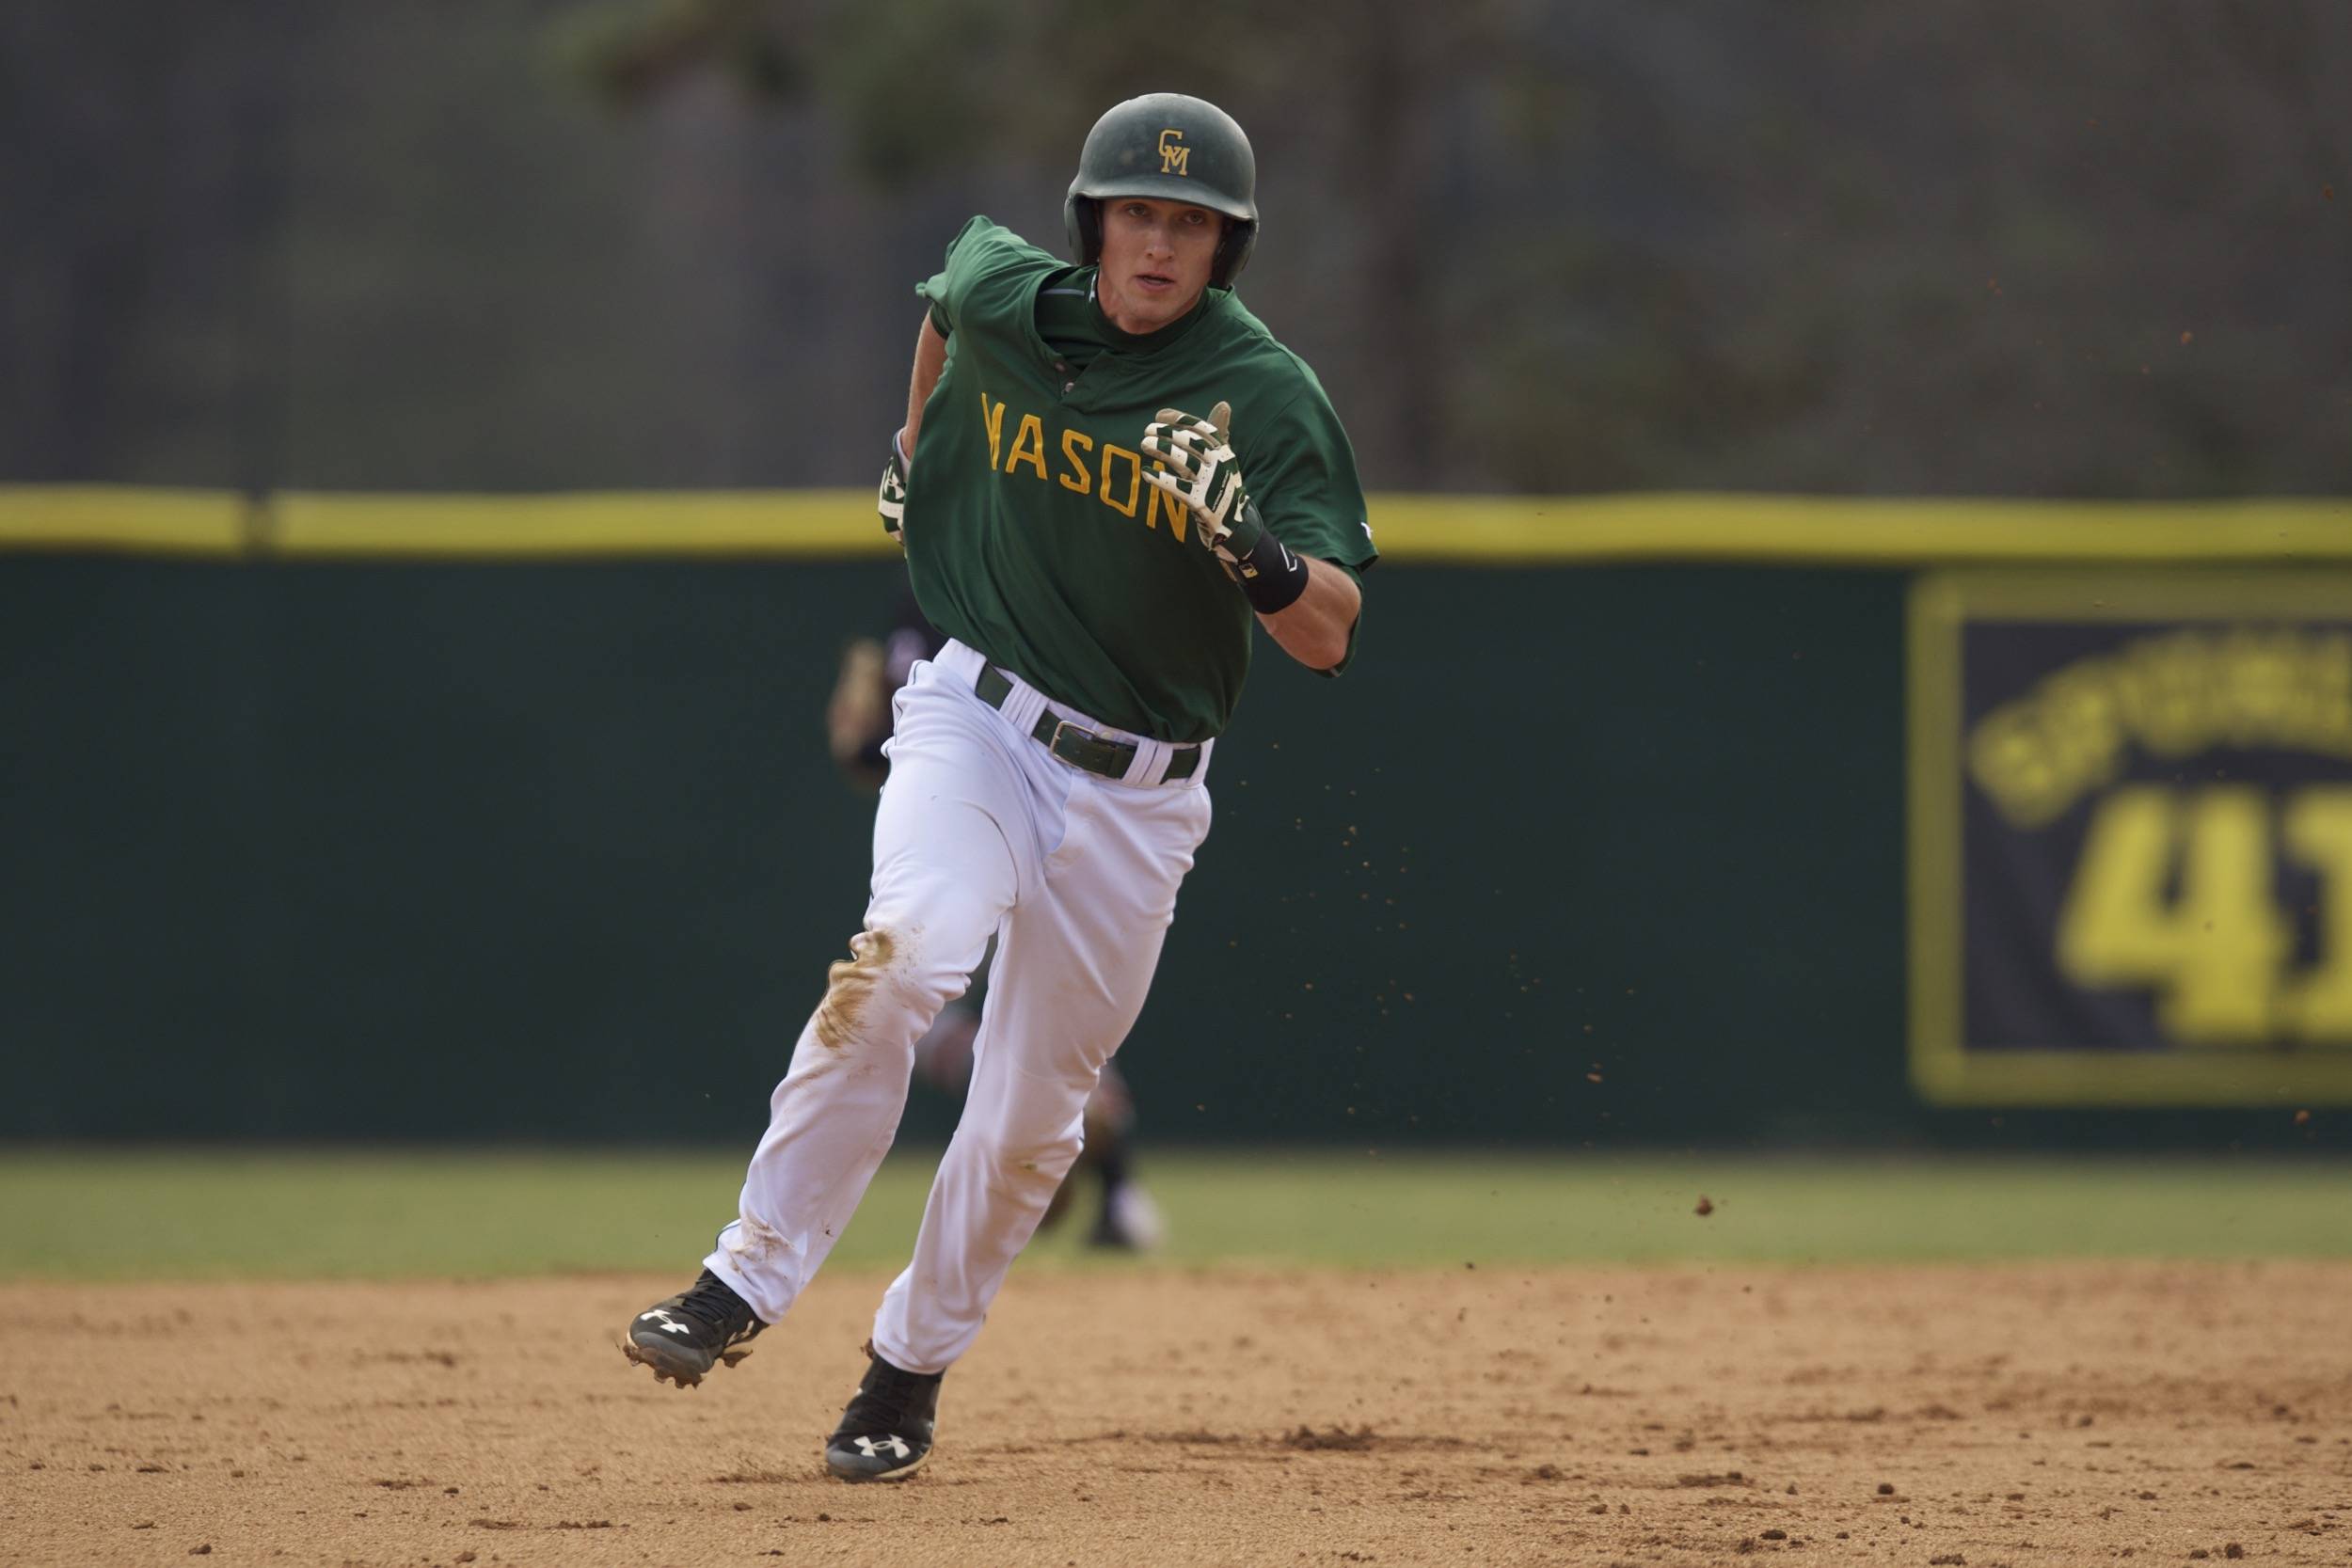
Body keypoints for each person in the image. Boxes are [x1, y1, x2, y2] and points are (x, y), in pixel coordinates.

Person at [622, 90, 1375, 1483]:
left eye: (1190, 224)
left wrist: (1254, 549)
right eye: (1137, 214)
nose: (1158, 244)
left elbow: (1327, 627)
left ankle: (907, 1366)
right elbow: (944, 309)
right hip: (979, 718)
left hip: (1145, 790)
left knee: (1036, 1117)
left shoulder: (1264, 395)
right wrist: (922, 452)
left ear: (1226, 249)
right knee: (901, 959)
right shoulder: (1010, 291)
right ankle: (740, 1278)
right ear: (1095, 222)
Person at [825, 601, 1167, 1252]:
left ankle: (1017, 1094)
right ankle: (1119, 1194)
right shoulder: (1041, 583)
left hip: (969, 841)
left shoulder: (928, 602)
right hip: (1068, 826)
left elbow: (883, 752)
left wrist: (855, 738)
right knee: (1059, 1027)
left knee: (911, 1009)